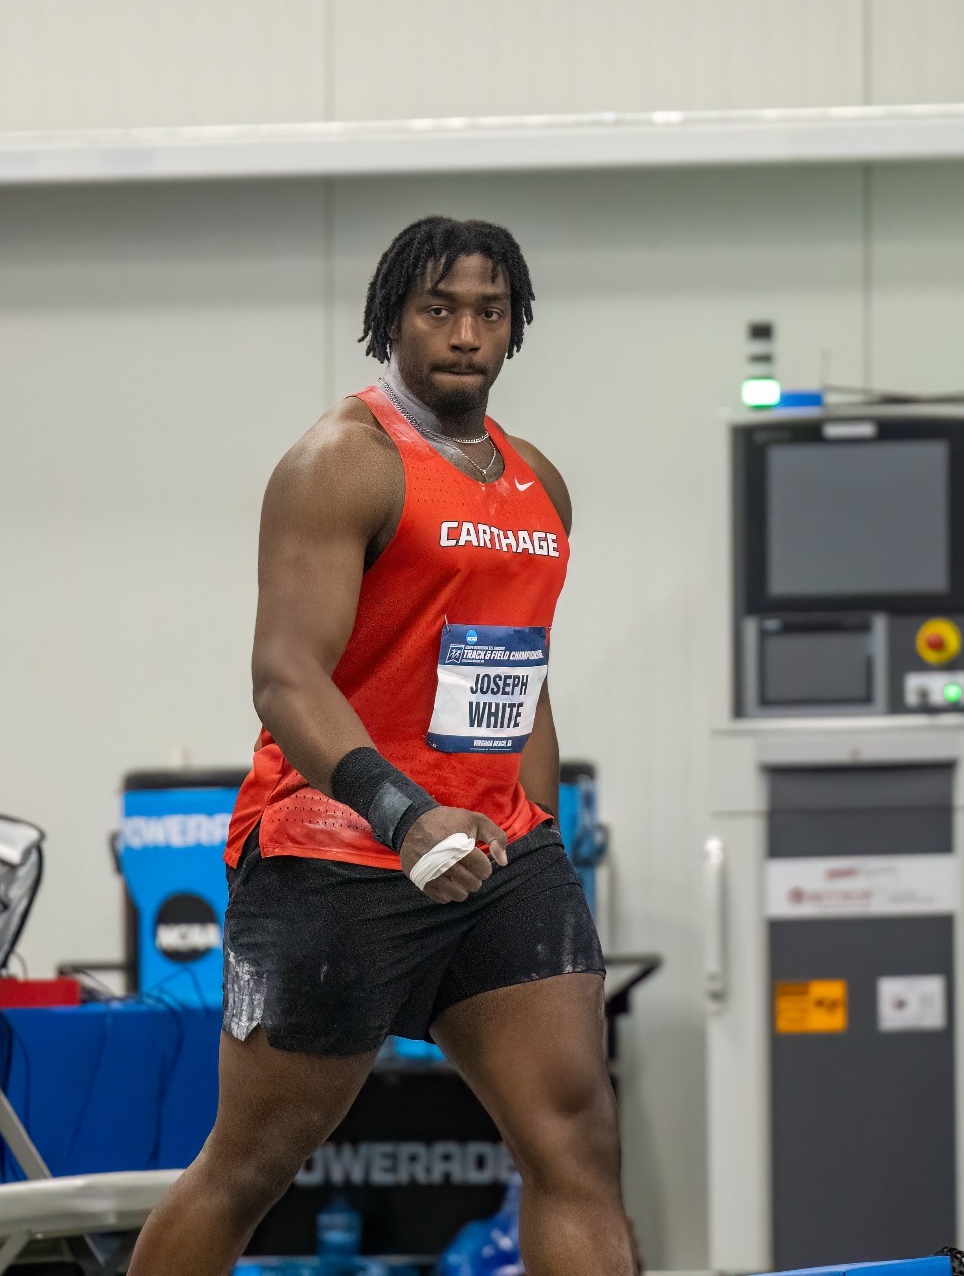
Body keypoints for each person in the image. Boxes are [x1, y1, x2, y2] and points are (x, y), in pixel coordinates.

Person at [133, 218, 631, 1274]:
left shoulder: (538, 484)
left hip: (496, 857)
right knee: (252, 1165)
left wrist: (534, 840)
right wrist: (403, 815)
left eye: (487, 312)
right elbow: (283, 677)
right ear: (389, 321)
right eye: (437, 309)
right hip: (336, 853)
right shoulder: (338, 464)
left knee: (574, 1144)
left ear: (515, 326)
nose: (464, 333)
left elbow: (518, 677)